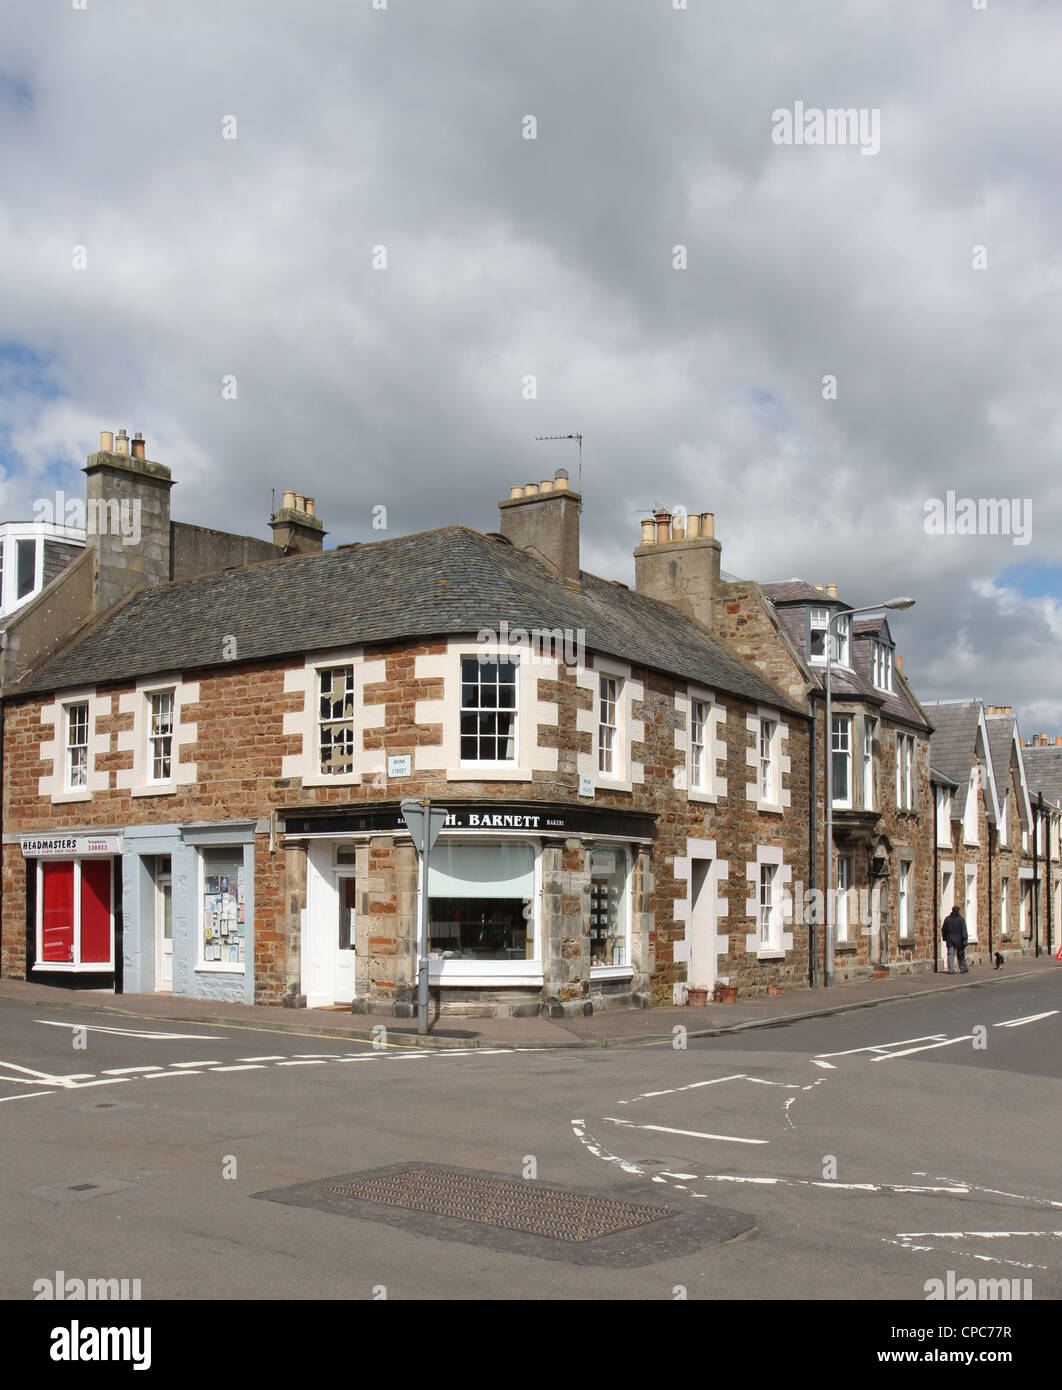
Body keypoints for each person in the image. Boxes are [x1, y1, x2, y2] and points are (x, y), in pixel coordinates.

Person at [941, 905, 968, 974]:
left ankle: (951, 969)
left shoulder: (947, 919)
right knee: (961, 955)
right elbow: (964, 931)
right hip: (959, 940)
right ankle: (963, 968)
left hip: (950, 939)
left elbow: (943, 929)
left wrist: (944, 937)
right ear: (958, 911)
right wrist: (965, 940)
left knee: (950, 954)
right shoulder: (961, 919)